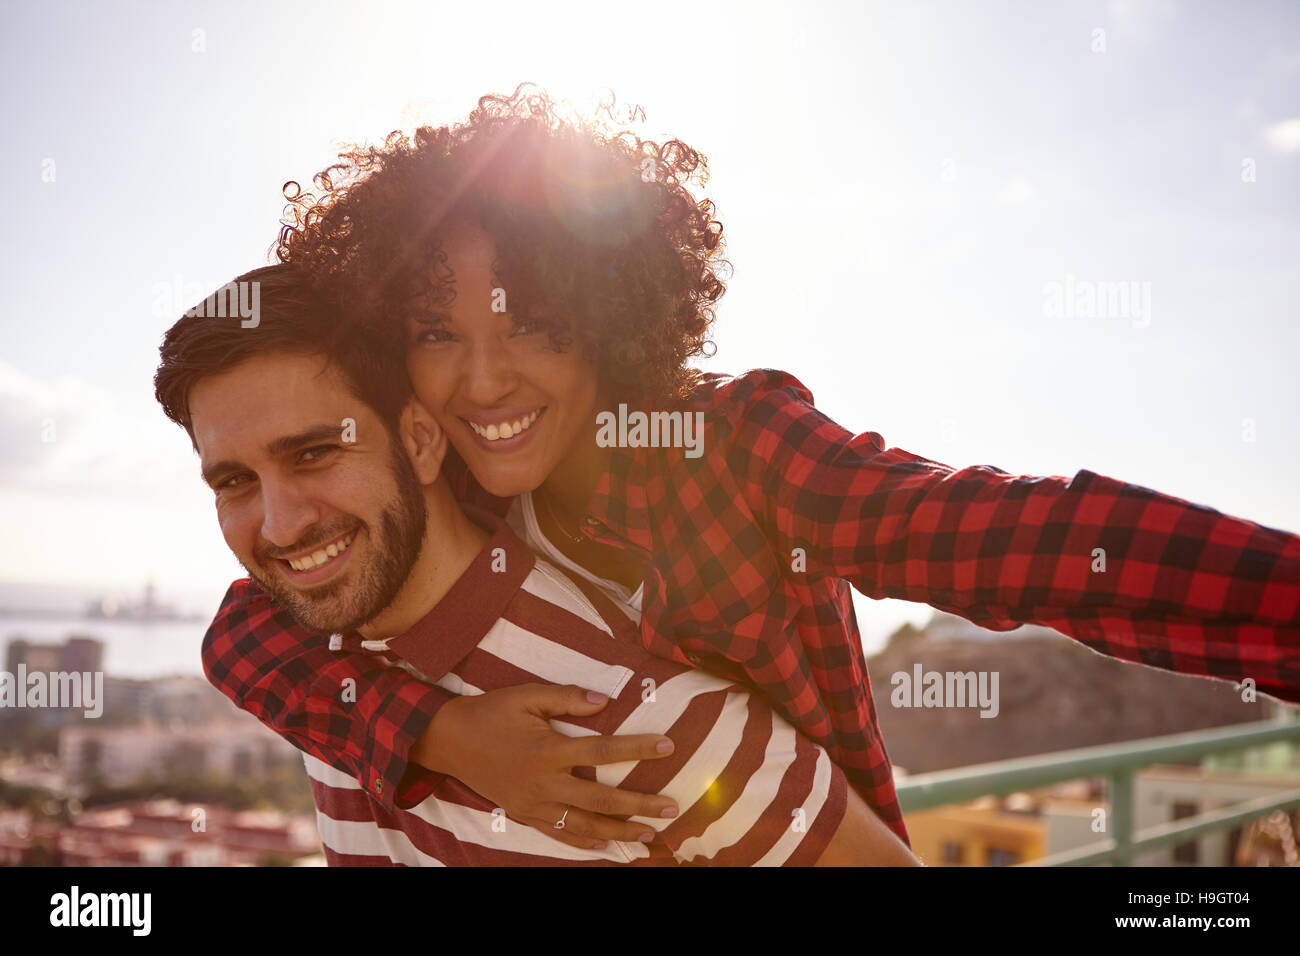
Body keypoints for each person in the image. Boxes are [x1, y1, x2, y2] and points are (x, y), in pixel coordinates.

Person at [195, 83, 1300, 854]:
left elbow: (1027, 538)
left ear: (609, 318)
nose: (483, 382)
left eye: (532, 324)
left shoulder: (729, 453)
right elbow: (247, 630)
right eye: (437, 334)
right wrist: (434, 733)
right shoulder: (445, 489)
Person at [156, 263, 921, 866]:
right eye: (234, 482)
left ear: (422, 440)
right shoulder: (322, 653)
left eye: (316, 453)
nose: (280, 524)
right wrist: (438, 734)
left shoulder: (637, 720)